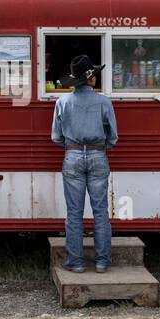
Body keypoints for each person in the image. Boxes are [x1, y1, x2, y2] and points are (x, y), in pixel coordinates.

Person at [50, 54, 118, 273]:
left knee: (74, 212)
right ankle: (102, 262)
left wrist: (74, 146)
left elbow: (56, 137)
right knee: (100, 211)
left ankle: (76, 262)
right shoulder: (104, 101)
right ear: (91, 79)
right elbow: (113, 137)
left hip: (72, 156)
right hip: (99, 156)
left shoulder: (62, 102)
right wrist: (98, 147)